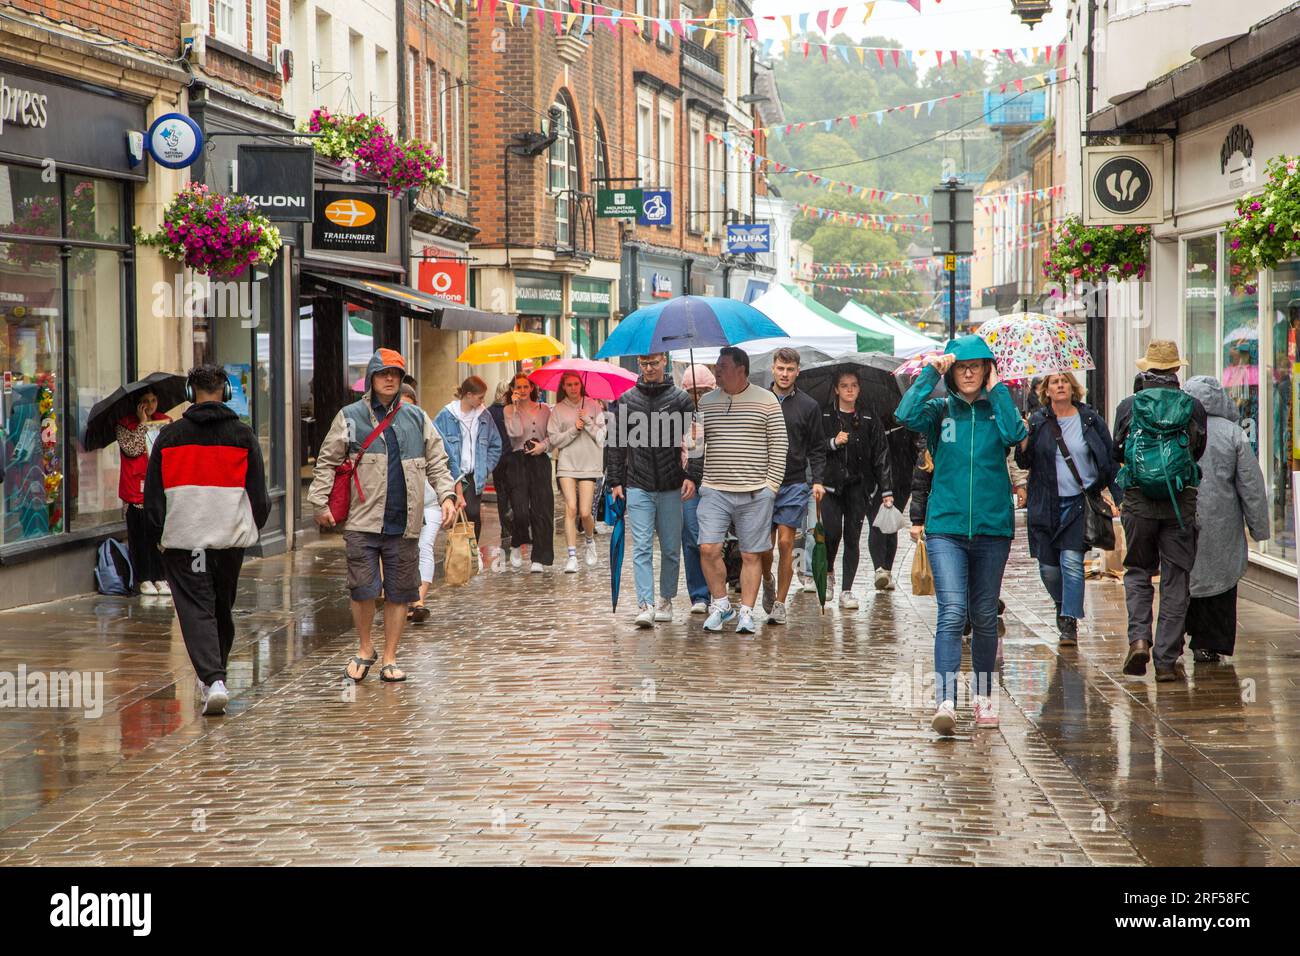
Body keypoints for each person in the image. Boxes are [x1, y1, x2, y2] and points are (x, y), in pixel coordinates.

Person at [896, 336, 1027, 735]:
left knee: (985, 614)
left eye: (976, 366)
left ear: (987, 369)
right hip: (946, 528)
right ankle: (946, 700)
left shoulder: (997, 407)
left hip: (992, 527)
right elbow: (905, 412)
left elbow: (1014, 433)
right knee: (952, 612)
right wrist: (929, 374)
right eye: (960, 366)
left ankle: (985, 695)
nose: (968, 372)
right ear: (951, 372)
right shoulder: (939, 411)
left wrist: (998, 389)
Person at [308, 349, 457, 684]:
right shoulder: (350, 415)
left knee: (399, 592)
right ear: (372, 378)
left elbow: (438, 460)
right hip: (362, 518)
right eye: (383, 373)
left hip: (404, 521)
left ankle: (390, 656)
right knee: (362, 588)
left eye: (396, 374)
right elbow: (327, 460)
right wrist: (319, 503)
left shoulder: (417, 417)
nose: (390, 379)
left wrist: (446, 495)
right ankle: (365, 648)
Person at [143, 365, 270, 715]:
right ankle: (214, 677)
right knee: (219, 607)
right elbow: (259, 499)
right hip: (228, 542)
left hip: (186, 542)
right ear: (226, 392)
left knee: (197, 608)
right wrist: (244, 528)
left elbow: (152, 499)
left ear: (189, 392)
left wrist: (158, 536)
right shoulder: (244, 437)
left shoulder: (169, 438)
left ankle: (213, 679)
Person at [1112, 341, 1208, 683]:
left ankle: (1139, 638)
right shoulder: (1192, 406)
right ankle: (1166, 658)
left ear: (1146, 369)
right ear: (1176, 370)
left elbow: (1116, 451)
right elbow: (1197, 452)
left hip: (1138, 501)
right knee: (1176, 579)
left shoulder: (1129, 405)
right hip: (1179, 502)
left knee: (1138, 570)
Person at [1015, 372, 1121, 646]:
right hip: (1044, 504)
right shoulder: (1037, 421)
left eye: (1064, 381)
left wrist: (1120, 499)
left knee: (1072, 563)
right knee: (1049, 569)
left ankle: (1068, 621)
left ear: (1073, 388)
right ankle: (1062, 604)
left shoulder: (1090, 420)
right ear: (1046, 391)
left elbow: (1109, 462)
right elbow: (1025, 462)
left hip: (1078, 503)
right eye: (1054, 382)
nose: (1060, 385)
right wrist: (1023, 440)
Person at [694, 347, 788, 635]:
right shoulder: (706, 402)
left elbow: (779, 444)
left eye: (722, 366)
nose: (717, 371)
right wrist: (692, 439)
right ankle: (722, 605)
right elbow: (696, 448)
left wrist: (770, 487)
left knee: (751, 554)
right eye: (716, 366)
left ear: (741, 369)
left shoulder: (766, 400)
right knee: (707, 548)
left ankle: (746, 612)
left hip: (755, 491)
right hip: (714, 489)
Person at [1182, 375, 1270, 662]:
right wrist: (1258, 527)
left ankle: (1187, 632)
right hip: (1223, 522)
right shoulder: (1233, 433)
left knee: (1188, 579)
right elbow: (1251, 485)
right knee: (1221, 580)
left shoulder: (1177, 429)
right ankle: (1210, 643)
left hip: (1183, 517)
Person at [605, 353, 695, 627]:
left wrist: (692, 475)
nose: (649, 368)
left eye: (654, 362)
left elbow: (693, 441)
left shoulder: (681, 400)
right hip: (638, 483)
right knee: (641, 547)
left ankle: (666, 598)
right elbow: (616, 442)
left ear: (664, 362)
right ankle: (646, 603)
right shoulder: (627, 400)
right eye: (644, 363)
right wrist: (615, 481)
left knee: (670, 548)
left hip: (671, 484)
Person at [759, 348, 826, 625]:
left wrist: (818, 480)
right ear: (772, 369)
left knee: (787, 543)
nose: (784, 374)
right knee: (763, 547)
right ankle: (767, 578)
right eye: (780, 368)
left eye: (790, 369)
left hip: (794, 482)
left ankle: (780, 604)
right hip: (762, 483)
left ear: (798, 371)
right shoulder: (759, 401)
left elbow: (818, 448)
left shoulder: (809, 406)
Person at [820, 370, 893, 611]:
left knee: (852, 538)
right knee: (831, 533)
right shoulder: (825, 414)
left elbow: (881, 453)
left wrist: (886, 490)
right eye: (844, 386)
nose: (849, 390)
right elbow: (814, 446)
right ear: (836, 389)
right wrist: (833, 442)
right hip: (831, 486)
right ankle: (828, 571)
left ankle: (846, 590)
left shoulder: (869, 417)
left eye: (853, 386)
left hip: (859, 487)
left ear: (859, 389)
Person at [548, 371, 606, 573]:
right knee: (570, 508)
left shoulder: (594, 405)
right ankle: (572, 555)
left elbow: (602, 437)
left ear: (581, 385)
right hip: (567, 464)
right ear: (563, 387)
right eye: (569, 385)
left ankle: (590, 541)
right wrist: (574, 429)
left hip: (589, 464)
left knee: (584, 512)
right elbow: (554, 439)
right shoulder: (557, 410)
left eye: (576, 384)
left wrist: (588, 422)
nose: (573, 388)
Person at [116, 388, 172, 597]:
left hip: (158, 487)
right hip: (135, 490)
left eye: (153, 400)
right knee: (139, 536)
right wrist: (142, 424)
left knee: (158, 535)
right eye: (145, 401)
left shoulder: (165, 421)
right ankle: (144, 578)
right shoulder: (125, 425)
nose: (150, 405)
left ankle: (161, 576)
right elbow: (132, 449)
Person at [503, 373, 554, 572]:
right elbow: (514, 434)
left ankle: (539, 558)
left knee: (542, 509)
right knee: (520, 509)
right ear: (513, 389)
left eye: (526, 387)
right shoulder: (508, 410)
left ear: (532, 388)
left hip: (540, 460)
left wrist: (543, 446)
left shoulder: (545, 410)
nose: (523, 390)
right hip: (517, 461)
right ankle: (517, 541)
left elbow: (552, 436)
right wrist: (515, 409)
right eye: (518, 387)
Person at [679, 365, 716, 615]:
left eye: (703, 391)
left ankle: (719, 587)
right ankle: (700, 594)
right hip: (688, 483)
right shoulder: (678, 414)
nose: (698, 396)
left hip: (717, 481)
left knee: (713, 540)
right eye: (694, 391)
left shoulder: (720, 409)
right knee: (692, 537)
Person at [488, 379, 515, 567]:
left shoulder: (490, 412)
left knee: (501, 495)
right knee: (513, 492)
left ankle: (506, 528)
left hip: (498, 459)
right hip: (510, 457)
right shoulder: (510, 411)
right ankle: (511, 524)